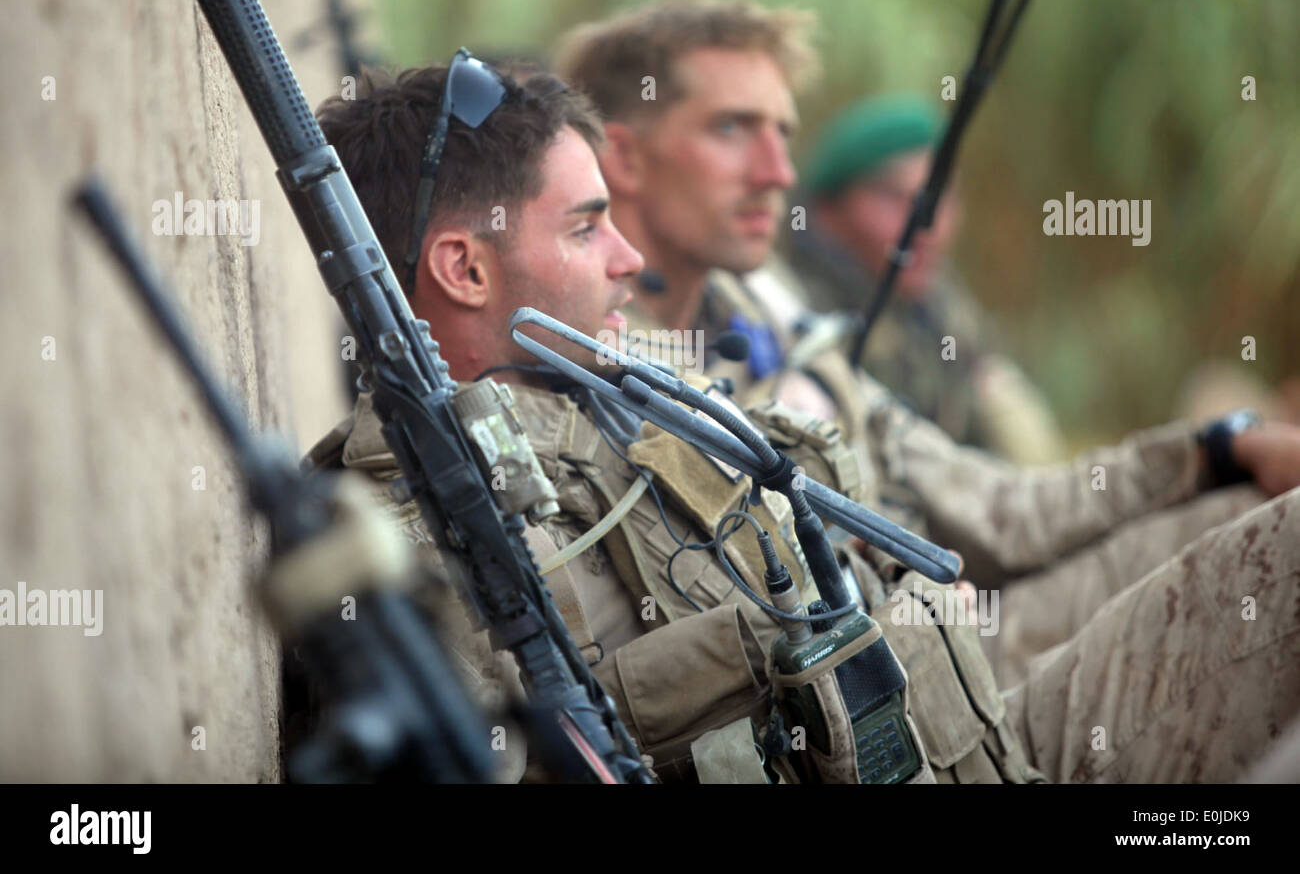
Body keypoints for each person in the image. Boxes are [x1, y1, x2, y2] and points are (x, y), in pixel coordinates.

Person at [305, 50, 1300, 784]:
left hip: (967, 727)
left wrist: (1212, 449)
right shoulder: (420, 527)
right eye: (585, 225)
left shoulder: (616, 389)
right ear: (465, 268)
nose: (627, 259)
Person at [552, 0, 1300, 692]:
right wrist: (910, 616)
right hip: (893, 703)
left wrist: (1217, 449)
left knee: (1254, 513)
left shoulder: (773, 320)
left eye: (782, 133)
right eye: (730, 129)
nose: (777, 172)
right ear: (625, 158)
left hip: (963, 643)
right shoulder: (596, 385)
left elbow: (998, 506)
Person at [796, 94, 1067, 464]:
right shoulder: (789, 309)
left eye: (942, 197)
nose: (929, 226)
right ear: (828, 212)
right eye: (896, 198)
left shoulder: (942, 303)